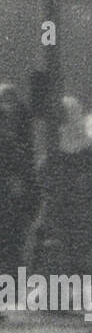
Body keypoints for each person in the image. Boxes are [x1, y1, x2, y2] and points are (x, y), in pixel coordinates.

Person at [22, 96, 92, 274]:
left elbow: (90, 179)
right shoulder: (52, 142)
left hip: (76, 207)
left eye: (63, 113)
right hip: (54, 203)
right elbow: (42, 172)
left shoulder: (89, 147)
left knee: (75, 253)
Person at [0, 83, 37, 269]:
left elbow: (26, 159)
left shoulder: (22, 127)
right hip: (9, 191)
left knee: (12, 237)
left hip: (13, 194)